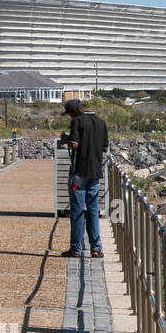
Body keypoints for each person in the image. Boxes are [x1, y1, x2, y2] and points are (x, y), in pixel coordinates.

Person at [59, 99, 109, 259]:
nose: (69, 118)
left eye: (69, 115)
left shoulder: (77, 122)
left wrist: (66, 140)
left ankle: (76, 249)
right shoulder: (101, 122)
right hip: (95, 173)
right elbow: (104, 148)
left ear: (74, 112)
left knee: (77, 212)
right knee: (93, 210)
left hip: (79, 172)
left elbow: (74, 145)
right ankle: (96, 248)